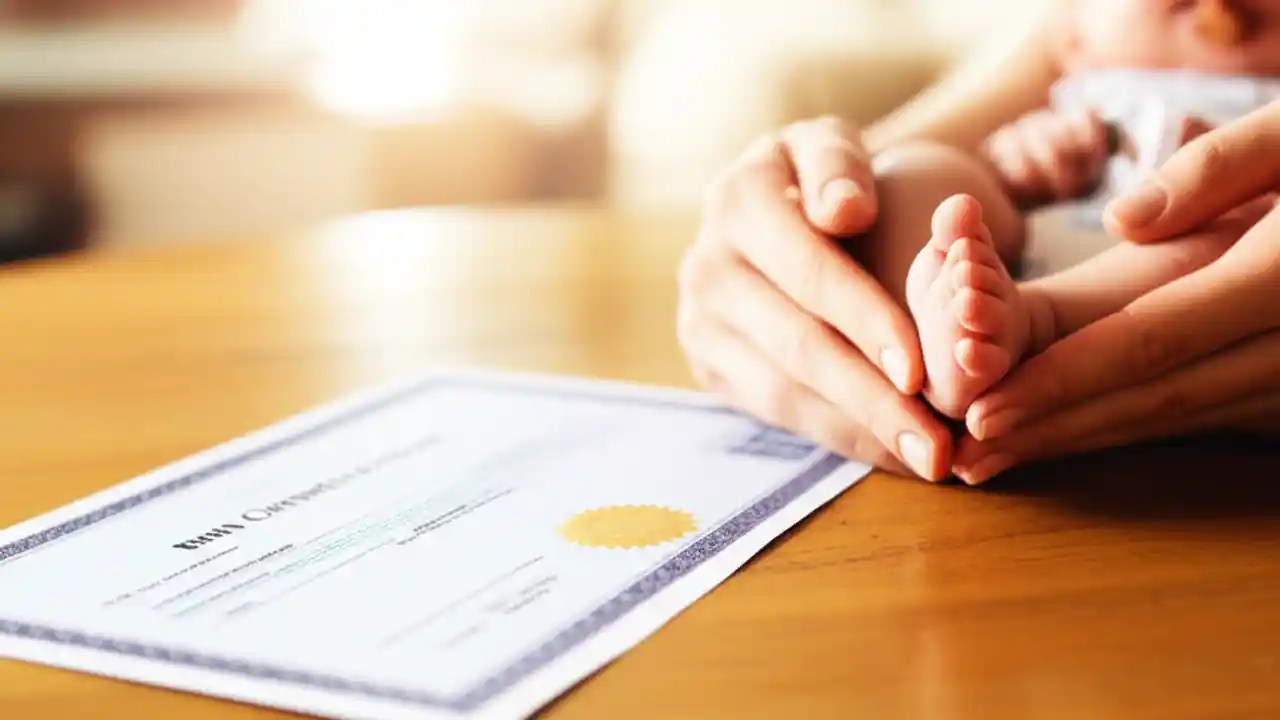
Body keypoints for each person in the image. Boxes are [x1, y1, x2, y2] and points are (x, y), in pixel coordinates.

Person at [677, 0, 1280, 483]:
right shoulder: (1085, 94)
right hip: (1028, 253)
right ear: (1071, 39)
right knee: (921, 176)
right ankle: (915, 337)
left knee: (1227, 233)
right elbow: (988, 171)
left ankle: (1039, 323)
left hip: (1176, 280)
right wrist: (1021, 162)